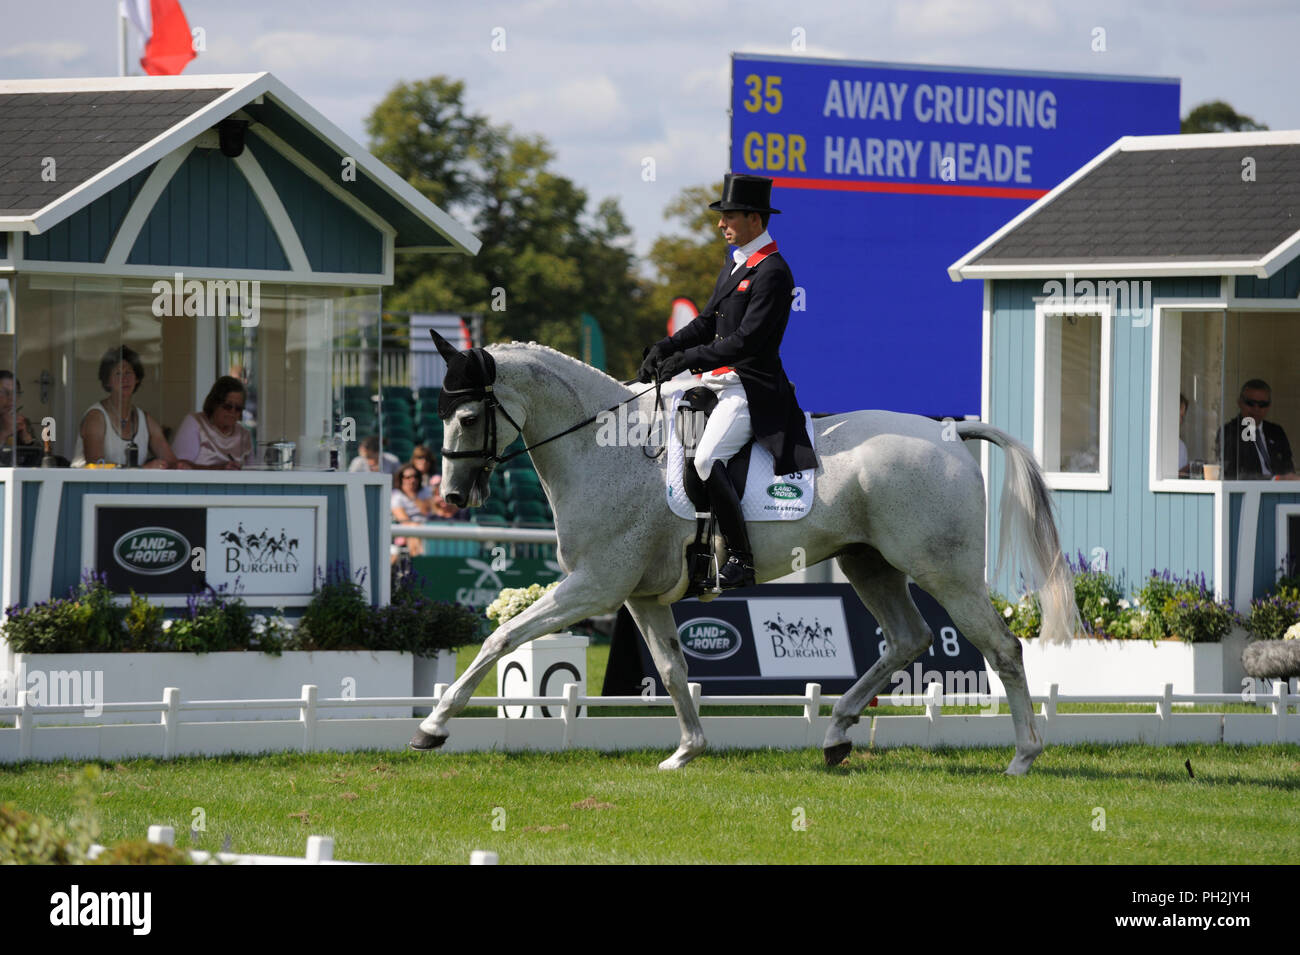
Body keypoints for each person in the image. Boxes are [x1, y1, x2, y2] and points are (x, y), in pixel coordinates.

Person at [637, 173, 816, 589]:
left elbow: (746, 341)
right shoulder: (736, 263)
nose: (721, 224)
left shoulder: (773, 271)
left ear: (754, 218)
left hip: (750, 387)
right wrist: (664, 348)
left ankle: (741, 557)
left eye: (729, 216)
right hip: (720, 381)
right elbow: (705, 323)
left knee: (706, 459)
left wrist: (688, 359)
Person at [72, 346, 191, 469]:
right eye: (118, 373)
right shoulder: (96, 417)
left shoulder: (145, 419)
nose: (125, 379)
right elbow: (95, 465)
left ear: (137, 379)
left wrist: (180, 466)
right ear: (107, 381)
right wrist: (142, 469)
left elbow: (171, 461)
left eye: (129, 372)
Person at [1218, 379, 1297, 480]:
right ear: (1239, 403)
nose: (1256, 409)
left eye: (1262, 404)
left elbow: (1288, 468)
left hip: (1281, 491)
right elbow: (1232, 473)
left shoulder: (1276, 431)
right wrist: (1274, 479)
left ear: (1269, 406)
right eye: (1250, 403)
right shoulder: (1229, 432)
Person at [171, 376, 254, 469]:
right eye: (228, 406)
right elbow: (180, 466)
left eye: (238, 408)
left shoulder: (244, 435)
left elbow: (251, 473)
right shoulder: (195, 423)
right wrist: (219, 468)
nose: (233, 412)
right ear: (214, 403)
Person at [391, 464, 430, 558]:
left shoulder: (426, 491)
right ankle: (420, 563)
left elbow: (428, 512)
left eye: (415, 477)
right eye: (408, 477)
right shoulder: (396, 497)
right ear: (401, 479)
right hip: (409, 530)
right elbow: (404, 521)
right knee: (414, 534)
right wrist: (419, 527)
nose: (412, 480)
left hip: (428, 526)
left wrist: (413, 496)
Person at [0, 371, 35, 449]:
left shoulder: (22, 422)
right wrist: (4, 433)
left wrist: (26, 439)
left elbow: (38, 459)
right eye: (3, 393)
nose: (11, 398)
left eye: (15, 393)